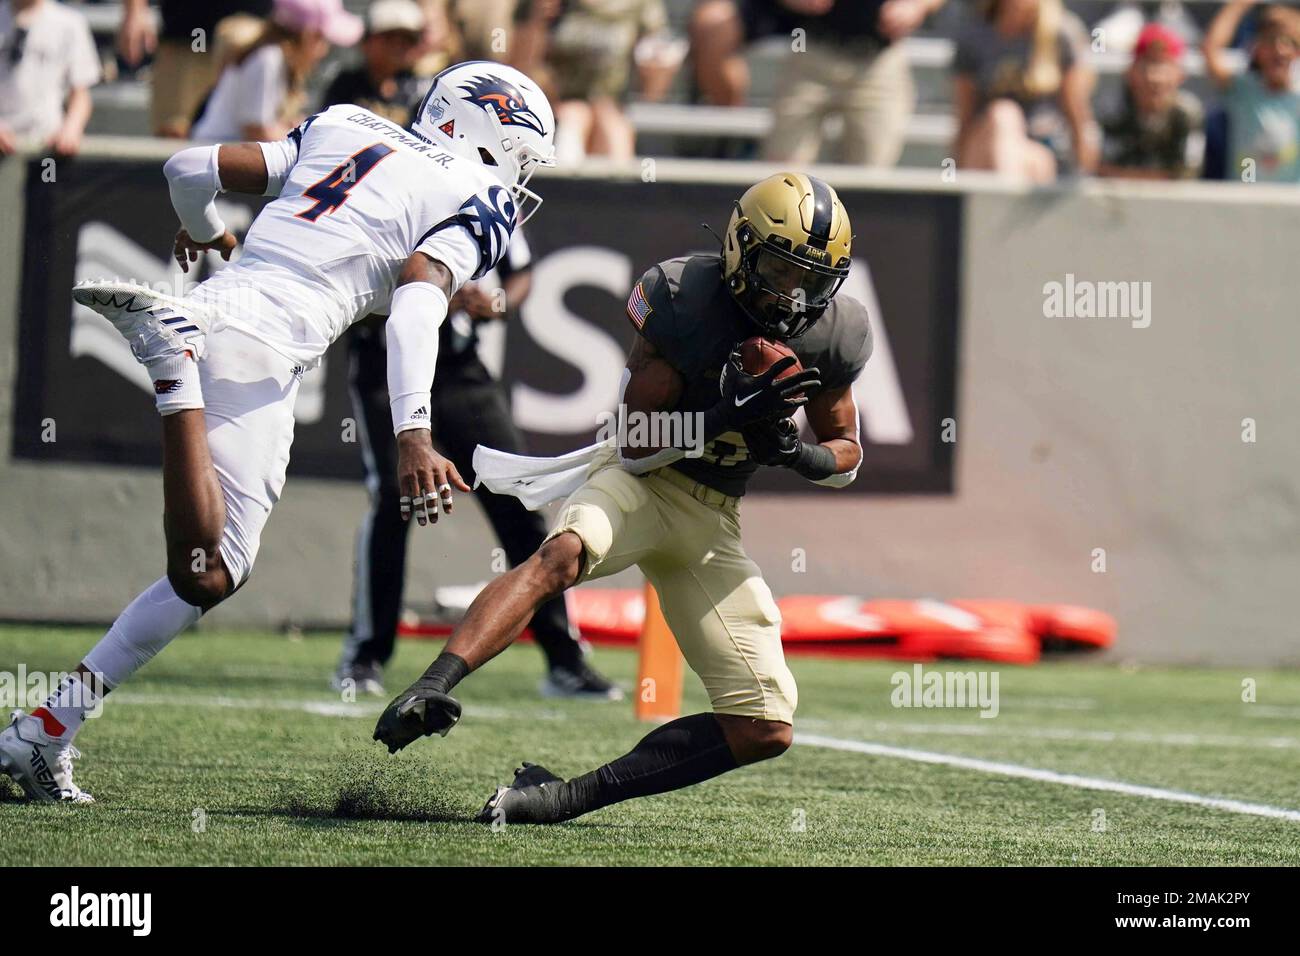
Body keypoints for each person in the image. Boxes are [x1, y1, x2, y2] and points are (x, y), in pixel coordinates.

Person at [0, 62, 557, 803]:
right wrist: (415, 431)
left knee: (203, 569)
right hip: (265, 347)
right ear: (487, 133)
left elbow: (189, 166)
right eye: (520, 156)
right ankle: (171, 374)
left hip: (218, 311)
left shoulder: (344, 122)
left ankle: (46, 730)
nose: (517, 179)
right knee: (212, 567)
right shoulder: (474, 190)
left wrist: (211, 237)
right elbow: (422, 302)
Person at [372, 172, 873, 825]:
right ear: (741, 248)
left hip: (712, 517)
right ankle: (431, 688)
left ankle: (563, 796)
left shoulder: (834, 332)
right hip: (641, 482)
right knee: (563, 555)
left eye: (810, 277)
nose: (793, 292)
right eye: (780, 267)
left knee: (765, 723)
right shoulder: (685, 298)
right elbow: (635, 442)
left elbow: (845, 452)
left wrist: (791, 453)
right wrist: (723, 414)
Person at [336, 227, 620, 700]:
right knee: (392, 499)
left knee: (519, 495)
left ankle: (564, 658)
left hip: (458, 368)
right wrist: (401, 302)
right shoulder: (395, 178)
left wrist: (495, 302)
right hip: (388, 366)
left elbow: (520, 274)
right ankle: (366, 654)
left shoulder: (485, 189)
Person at [761, 0, 946, 167]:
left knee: (869, 177)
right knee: (783, 176)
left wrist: (916, 6)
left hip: (878, 62)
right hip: (812, 55)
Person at [511, 0, 675, 162]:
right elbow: (520, 72)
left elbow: (653, 91)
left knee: (613, 130)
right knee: (573, 119)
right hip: (554, 106)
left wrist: (655, 68)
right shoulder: (543, 6)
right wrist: (537, 22)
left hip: (612, 106)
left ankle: (616, 187)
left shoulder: (640, 6)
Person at [953, 0, 1096, 181]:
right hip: (983, 144)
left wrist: (1084, 171)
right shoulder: (973, 36)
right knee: (1003, 115)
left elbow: (1077, 113)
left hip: (1040, 150)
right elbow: (965, 116)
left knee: (1006, 124)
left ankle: (1003, 199)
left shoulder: (1062, 33)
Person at [191, 0, 362, 143]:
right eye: (322, 39)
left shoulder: (274, 58)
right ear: (308, 36)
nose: (324, 51)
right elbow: (256, 131)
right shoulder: (267, 59)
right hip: (215, 167)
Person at [117, 0, 273, 139]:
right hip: (189, 36)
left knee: (261, 140)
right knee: (174, 137)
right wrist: (135, 10)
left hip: (254, 36)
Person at [1203, 0, 1300, 183]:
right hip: (1245, 198)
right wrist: (1239, 5)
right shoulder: (1242, 90)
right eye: (1271, 41)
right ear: (1257, 50)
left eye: (1290, 42)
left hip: (1291, 206)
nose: (1280, 50)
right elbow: (1211, 50)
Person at [1098, 23, 1203, 179]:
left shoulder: (1187, 114)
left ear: (1180, 75)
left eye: (1164, 65)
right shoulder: (1112, 112)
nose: (1155, 77)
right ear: (1131, 72)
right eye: (1147, 64)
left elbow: (1187, 173)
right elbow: (1102, 168)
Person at [0, 0, 99, 157]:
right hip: (3, 144)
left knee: (49, 179)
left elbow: (81, 94)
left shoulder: (70, 23)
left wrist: (72, 127)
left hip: (47, 145)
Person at [320, 0, 429, 128]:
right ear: (367, 41)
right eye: (390, 37)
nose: (399, 45)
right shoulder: (346, 86)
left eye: (408, 39)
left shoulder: (421, 91)